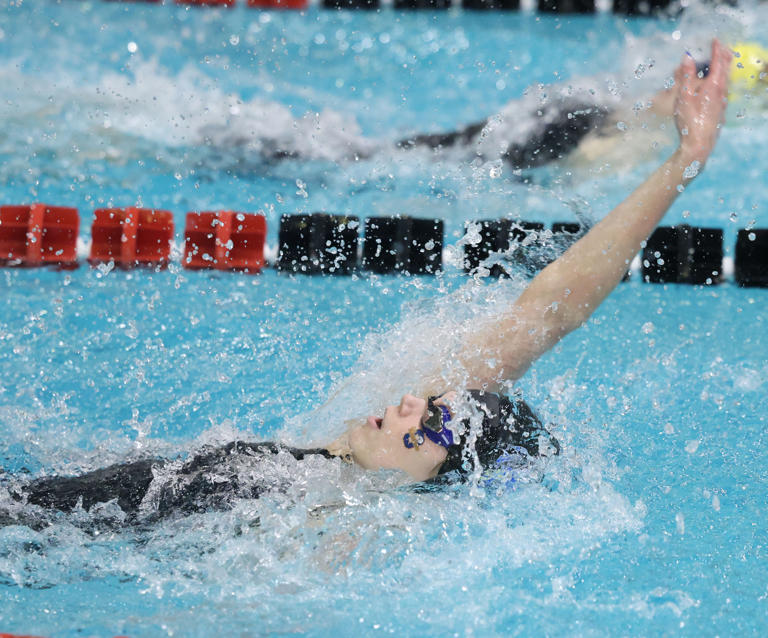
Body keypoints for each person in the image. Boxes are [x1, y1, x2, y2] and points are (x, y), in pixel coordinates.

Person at [2, 40, 732, 527]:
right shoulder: (343, 460)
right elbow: (551, 309)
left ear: (433, 480)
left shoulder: (334, 524)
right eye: (437, 403)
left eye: (436, 426)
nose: (414, 401)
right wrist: (682, 165)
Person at [399, 40, 755, 174]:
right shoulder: (634, 133)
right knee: (450, 157)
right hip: (570, 124)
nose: (683, 76)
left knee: (442, 150)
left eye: (701, 75)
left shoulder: (639, 122)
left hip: (569, 120)